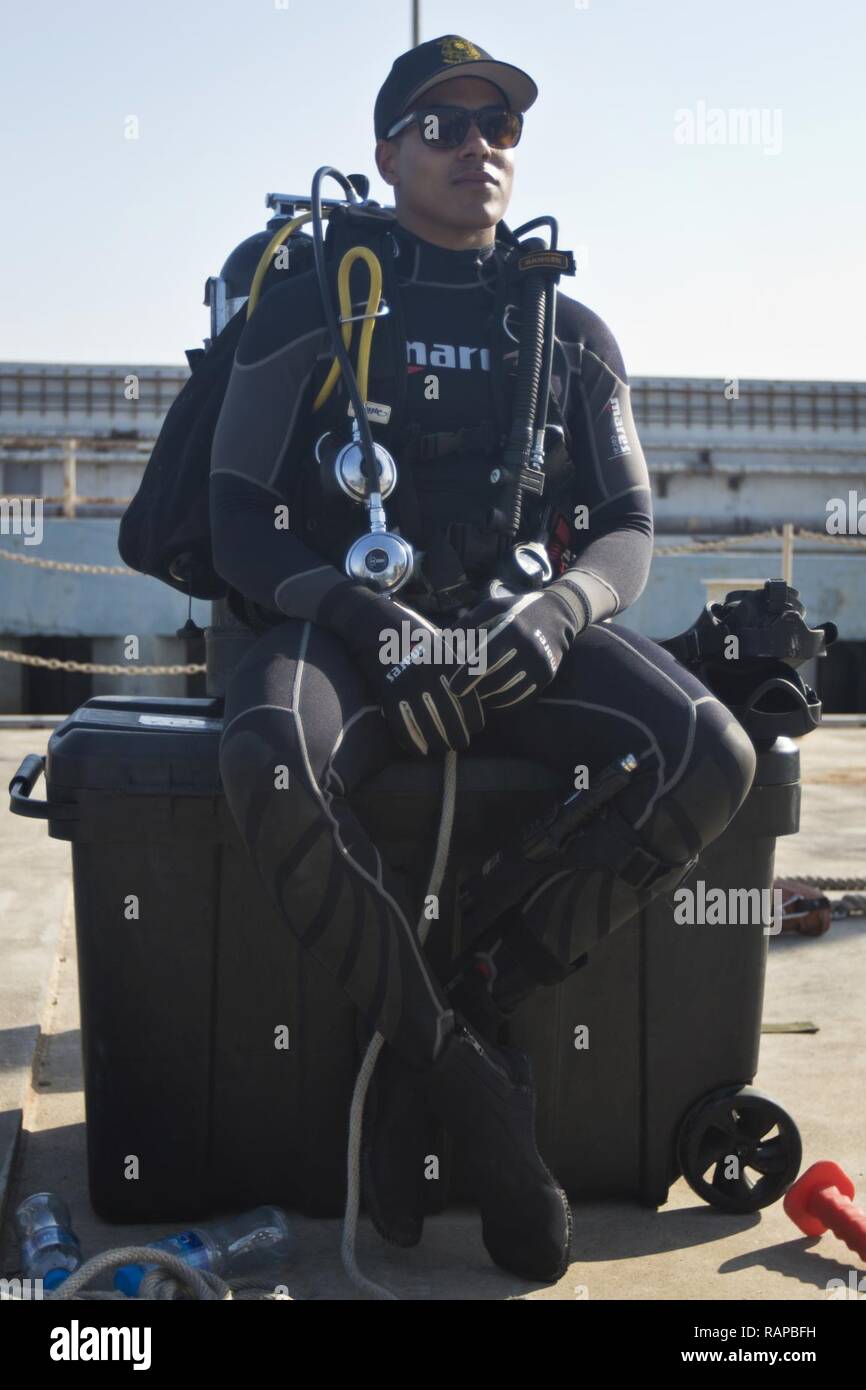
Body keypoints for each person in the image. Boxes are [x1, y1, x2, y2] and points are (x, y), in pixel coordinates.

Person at [209, 34, 757, 1285]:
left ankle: (464, 1007)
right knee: (270, 758)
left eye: (496, 126)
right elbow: (237, 513)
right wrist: (349, 613)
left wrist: (561, 612)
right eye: (442, 126)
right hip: (341, 630)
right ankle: (464, 1077)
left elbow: (626, 527)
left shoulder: (570, 327)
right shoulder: (311, 300)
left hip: (516, 634)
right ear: (387, 152)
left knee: (710, 756)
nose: (477, 148)